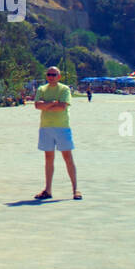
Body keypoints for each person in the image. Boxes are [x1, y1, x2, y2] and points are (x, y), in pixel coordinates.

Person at [34, 66, 81, 200]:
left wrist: (46, 105)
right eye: (49, 74)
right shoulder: (41, 89)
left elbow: (62, 107)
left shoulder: (64, 89)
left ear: (59, 76)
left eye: (54, 74)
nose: (51, 77)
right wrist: (52, 103)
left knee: (68, 157)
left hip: (62, 127)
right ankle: (48, 190)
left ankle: (75, 189)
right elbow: (37, 105)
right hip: (45, 128)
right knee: (48, 158)